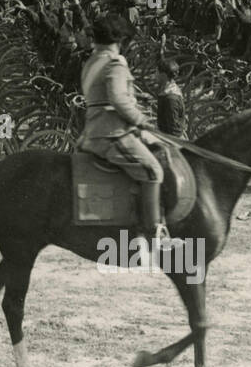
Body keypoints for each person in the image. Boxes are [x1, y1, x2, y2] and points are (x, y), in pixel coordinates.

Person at [79, 13, 171, 248]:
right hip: (112, 133)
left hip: (91, 130)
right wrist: (141, 120)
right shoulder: (115, 62)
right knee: (153, 172)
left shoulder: (92, 61)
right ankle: (153, 233)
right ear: (120, 40)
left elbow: (103, 95)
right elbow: (118, 100)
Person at [154, 59, 187, 139]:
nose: (155, 75)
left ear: (164, 75)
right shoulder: (168, 89)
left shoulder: (170, 99)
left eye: (157, 72)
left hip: (171, 140)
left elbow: (174, 131)